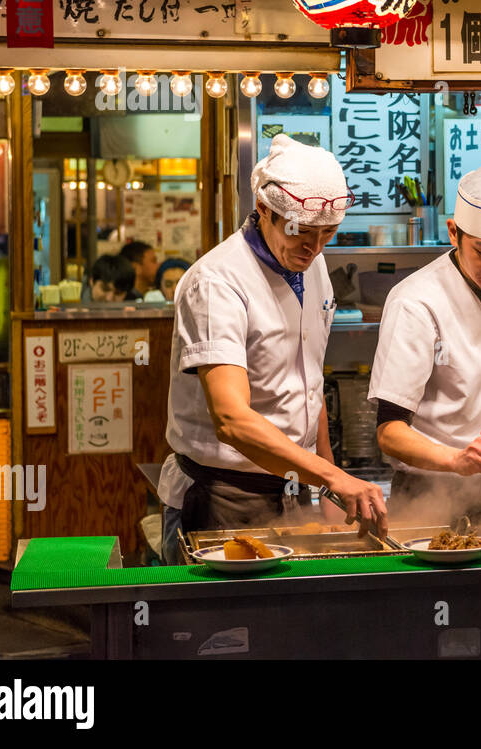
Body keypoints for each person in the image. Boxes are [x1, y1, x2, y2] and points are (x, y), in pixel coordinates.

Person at [157, 134, 387, 564]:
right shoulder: (217, 283)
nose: (315, 248)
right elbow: (231, 420)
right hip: (222, 495)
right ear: (263, 209)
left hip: (293, 487)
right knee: (223, 630)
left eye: (328, 235)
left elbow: (308, 379)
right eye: (302, 233)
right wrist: (332, 477)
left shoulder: (313, 265)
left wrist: (324, 484)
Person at [369, 164, 481, 521]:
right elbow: (389, 433)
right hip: (431, 492)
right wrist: (457, 460)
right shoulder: (416, 300)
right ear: (454, 233)